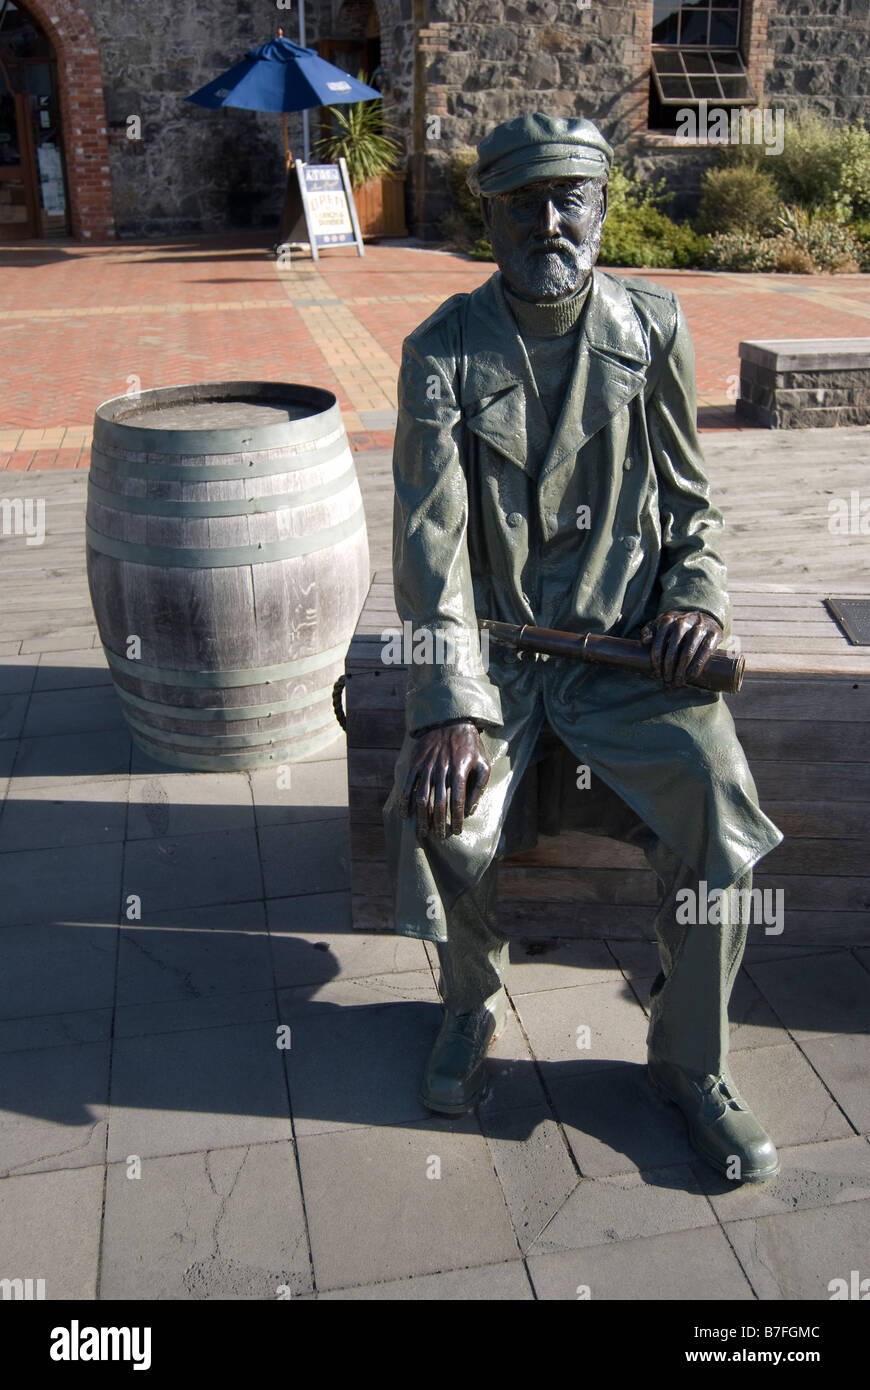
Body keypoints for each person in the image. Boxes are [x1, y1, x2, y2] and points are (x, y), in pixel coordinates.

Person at [382, 114, 784, 1183]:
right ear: (492, 213)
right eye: (523, 203)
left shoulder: (651, 328)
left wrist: (697, 600)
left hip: (626, 660)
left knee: (720, 801)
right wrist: (449, 700)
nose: (550, 223)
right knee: (440, 803)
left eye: (571, 199)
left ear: (603, 207)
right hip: (502, 660)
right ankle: (469, 1002)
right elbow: (430, 548)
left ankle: (689, 1056)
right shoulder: (442, 352)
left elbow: (694, 508)